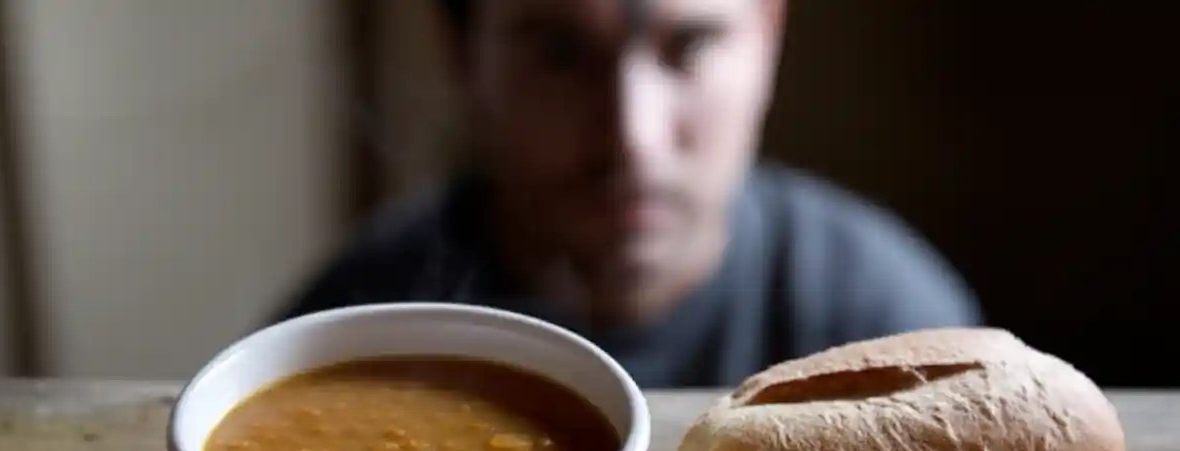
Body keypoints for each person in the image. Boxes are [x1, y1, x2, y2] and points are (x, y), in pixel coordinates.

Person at [279, 0, 981, 388]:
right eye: (560, 54)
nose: (631, 138)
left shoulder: (891, 329)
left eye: (692, 46)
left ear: (768, 37)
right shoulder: (343, 338)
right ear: (465, 55)